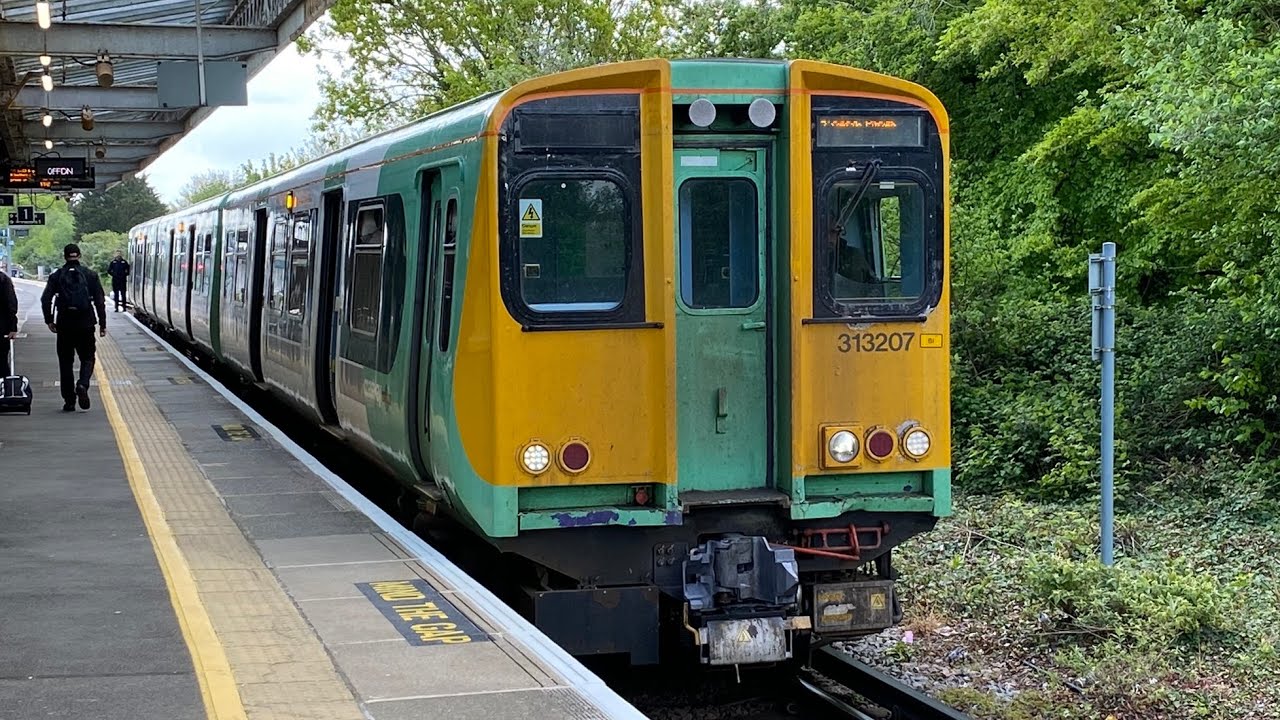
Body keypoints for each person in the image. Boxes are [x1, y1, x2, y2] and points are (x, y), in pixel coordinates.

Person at [41, 244, 107, 412]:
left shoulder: (56, 276)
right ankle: (83, 384)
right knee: (88, 358)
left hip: (64, 325)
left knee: (65, 362)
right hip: (86, 324)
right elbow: (100, 301)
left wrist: (49, 320)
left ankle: (69, 401)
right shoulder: (90, 275)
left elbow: (45, 299)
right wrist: (102, 323)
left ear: (65, 256)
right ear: (79, 255)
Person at [0, 268, 16, 372]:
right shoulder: (3, 279)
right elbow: (11, 304)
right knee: (2, 362)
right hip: (2, 328)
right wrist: (12, 327)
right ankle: (4, 386)